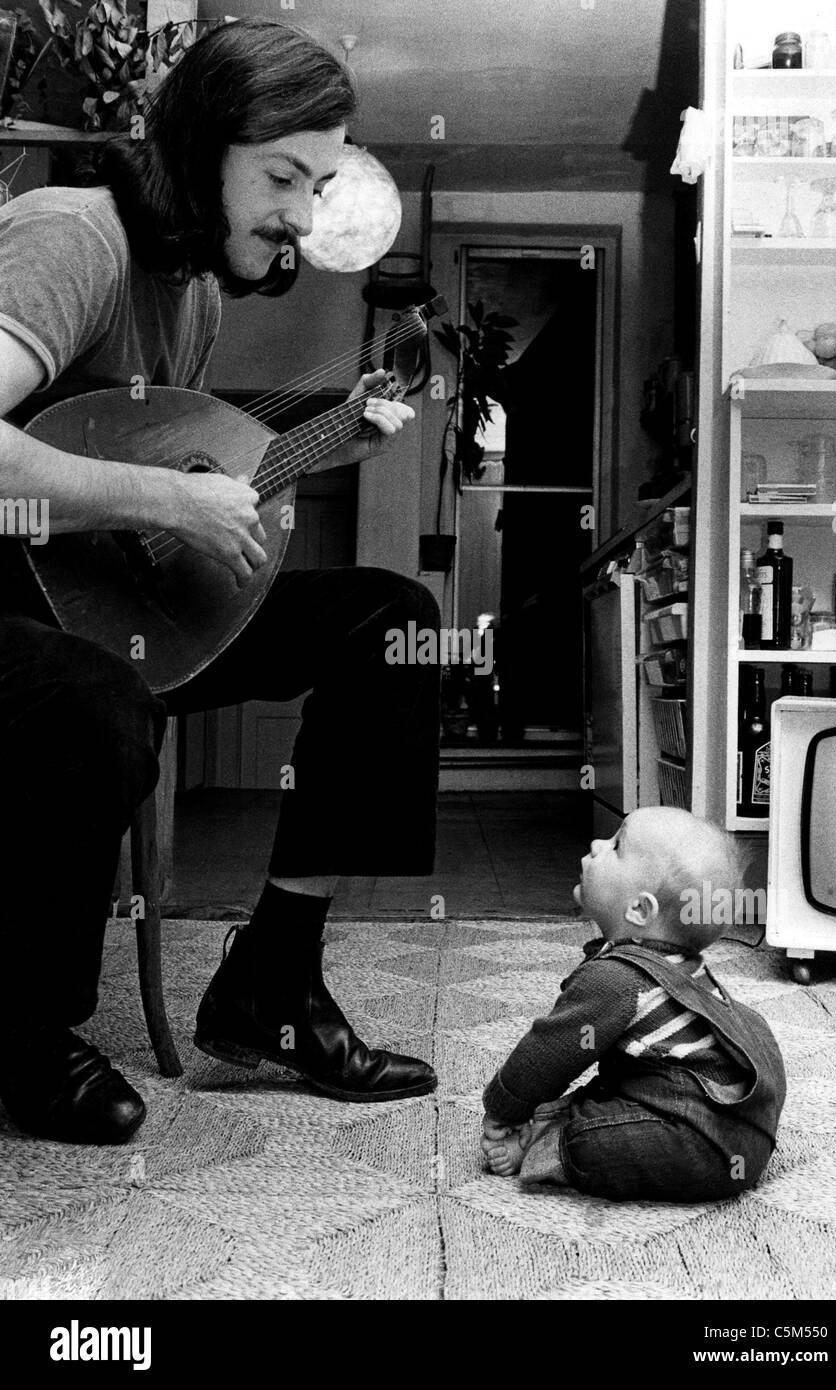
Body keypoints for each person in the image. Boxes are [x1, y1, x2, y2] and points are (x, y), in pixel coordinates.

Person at [0, 19, 440, 1146]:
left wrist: (329, 442)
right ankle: (24, 1032)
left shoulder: (189, 295)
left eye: (318, 182)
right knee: (94, 703)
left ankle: (272, 987)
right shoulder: (70, 238)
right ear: (201, 150)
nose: (301, 214)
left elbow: (158, 465)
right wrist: (169, 505)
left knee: (395, 623)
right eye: (281, 177)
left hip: (105, 607)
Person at [480, 807, 786, 1201]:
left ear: (639, 910)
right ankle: (546, 1125)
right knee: (606, 1094)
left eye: (616, 845)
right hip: (735, 1124)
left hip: (703, 1143)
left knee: (592, 1139)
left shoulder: (617, 979)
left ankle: (553, 1147)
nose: (596, 844)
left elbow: (548, 1053)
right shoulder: (678, 968)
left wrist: (504, 1106)